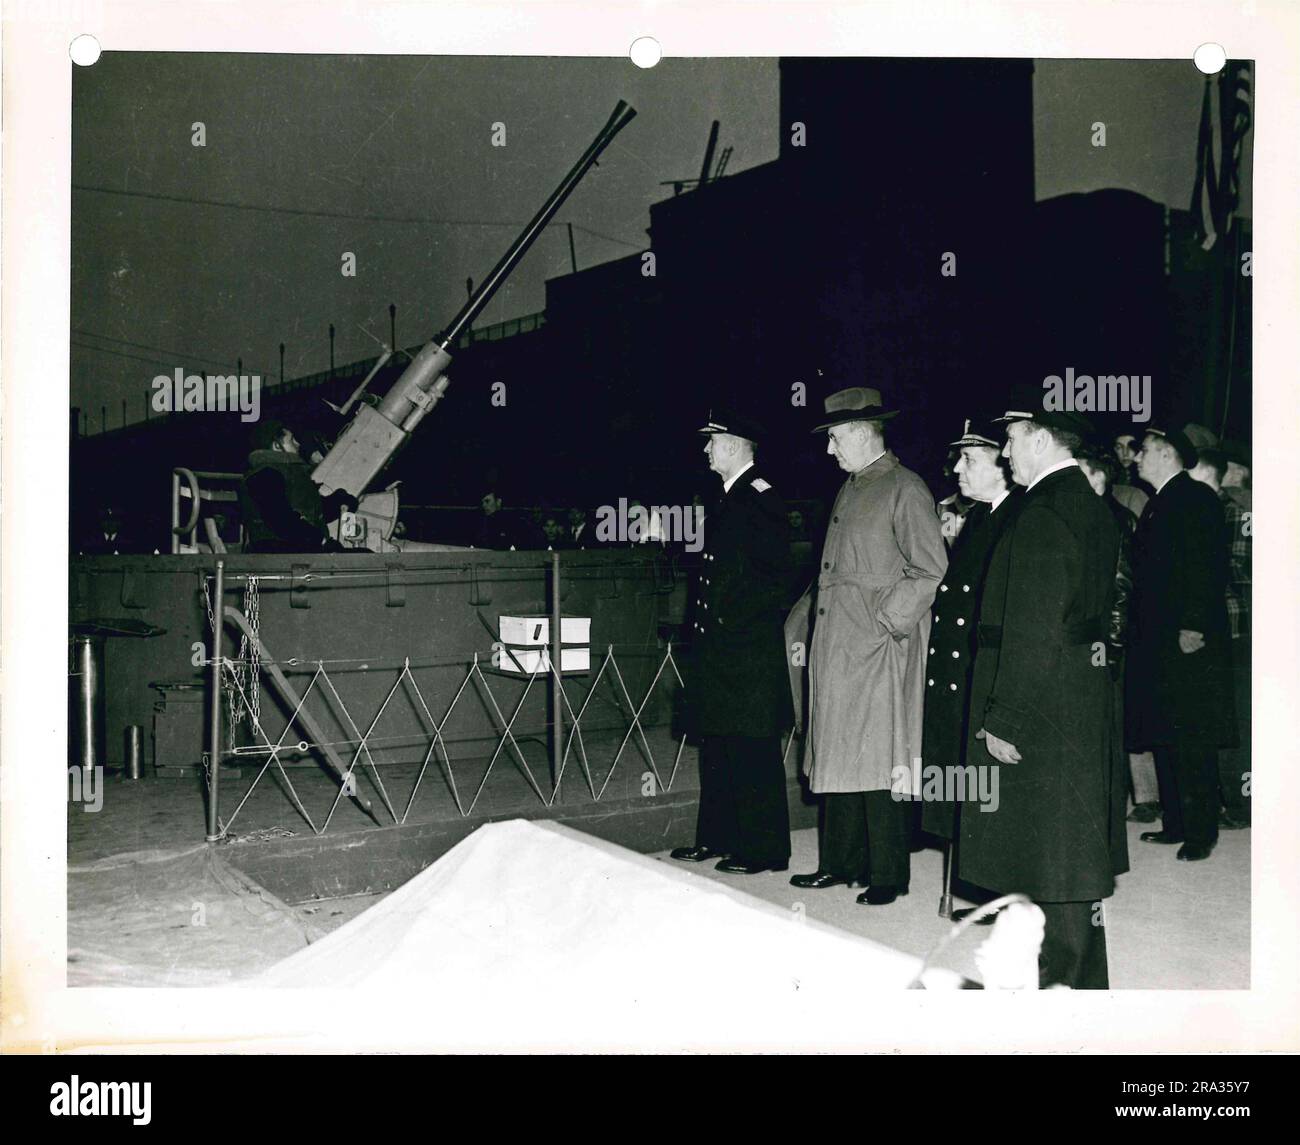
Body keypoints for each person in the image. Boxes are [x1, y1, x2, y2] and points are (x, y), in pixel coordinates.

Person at [959, 393, 1126, 988]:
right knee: (1066, 845)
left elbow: (1034, 623)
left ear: (1041, 439)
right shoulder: (1086, 502)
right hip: (1075, 690)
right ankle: (1080, 976)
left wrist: (1005, 717)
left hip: (1043, 696)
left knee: (1048, 849)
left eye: (1011, 439)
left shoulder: (1043, 511)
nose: (1005, 453)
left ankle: (1061, 986)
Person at [786, 387, 947, 905]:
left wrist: (885, 621)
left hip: (877, 646)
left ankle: (886, 874)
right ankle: (839, 862)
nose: (828, 450)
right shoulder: (853, 486)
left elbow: (931, 569)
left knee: (878, 759)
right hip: (839, 644)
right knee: (838, 753)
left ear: (860, 433)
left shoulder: (905, 487)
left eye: (834, 439)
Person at [671, 409, 794, 875]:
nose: (705, 450)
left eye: (714, 442)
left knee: (752, 748)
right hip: (719, 647)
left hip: (745, 649)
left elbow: (771, 578)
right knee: (718, 744)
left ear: (738, 445)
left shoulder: (760, 497)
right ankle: (717, 838)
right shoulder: (725, 496)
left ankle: (764, 850)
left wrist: (731, 622)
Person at [1126, 426, 1237, 862]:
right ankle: (1175, 823)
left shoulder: (1195, 500)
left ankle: (1200, 832)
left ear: (1169, 455)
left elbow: (1207, 570)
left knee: (1192, 734)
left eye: (1146, 451)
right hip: (1159, 639)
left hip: (1186, 639)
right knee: (1166, 731)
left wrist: (1192, 626)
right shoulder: (1163, 502)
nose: (1137, 458)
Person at [919, 419, 1017, 876]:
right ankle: (970, 866)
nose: (958, 469)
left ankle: (992, 878)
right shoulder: (980, 516)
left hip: (983, 673)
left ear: (1004, 464)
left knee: (988, 784)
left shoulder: (1017, 518)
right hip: (956, 672)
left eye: (971, 460)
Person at [1077, 442, 1159, 824]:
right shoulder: (1079, 514)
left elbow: (1122, 589)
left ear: (1097, 477)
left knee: (1109, 726)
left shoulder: (1115, 518)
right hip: (1092, 638)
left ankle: (1118, 805)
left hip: (1107, 642)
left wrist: (1110, 649)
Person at [1188, 447, 1251, 829]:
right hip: (1215, 628)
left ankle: (1242, 804)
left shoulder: (1234, 512)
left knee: (1238, 720)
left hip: (1236, 630)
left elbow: (1242, 573)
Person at [239, 420, 351, 553]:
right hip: (279, 551)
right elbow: (281, 519)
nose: (298, 444)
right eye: (292, 440)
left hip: (295, 549)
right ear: (276, 445)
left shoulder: (286, 473)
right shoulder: (265, 475)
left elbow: (311, 511)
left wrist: (338, 501)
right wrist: (321, 541)